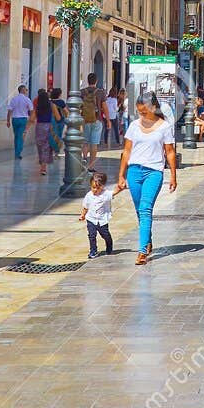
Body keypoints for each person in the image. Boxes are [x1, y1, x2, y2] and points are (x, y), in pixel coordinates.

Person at [116, 92, 178, 265]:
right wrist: (121, 175)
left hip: (154, 172)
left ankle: (142, 250)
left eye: (144, 111)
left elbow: (170, 152)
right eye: (139, 112)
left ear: (153, 108)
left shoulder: (164, 126)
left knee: (145, 209)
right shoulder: (134, 126)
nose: (141, 115)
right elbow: (126, 151)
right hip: (134, 172)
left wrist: (173, 175)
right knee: (139, 211)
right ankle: (148, 239)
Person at [79, 171, 115, 258]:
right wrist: (83, 215)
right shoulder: (89, 195)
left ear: (103, 186)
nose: (95, 190)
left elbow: (114, 192)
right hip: (91, 219)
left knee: (105, 235)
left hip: (102, 220)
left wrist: (121, 186)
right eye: (93, 187)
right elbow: (85, 207)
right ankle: (93, 251)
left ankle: (109, 246)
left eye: (98, 188)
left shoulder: (106, 194)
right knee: (91, 235)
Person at [6, 85, 33, 160]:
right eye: (26, 90)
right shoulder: (27, 99)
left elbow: (9, 110)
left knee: (16, 136)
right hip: (23, 119)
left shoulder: (14, 99)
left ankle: (16, 152)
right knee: (21, 136)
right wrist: (31, 119)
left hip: (15, 119)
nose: (27, 91)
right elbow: (31, 110)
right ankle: (18, 153)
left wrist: (8, 121)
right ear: (23, 90)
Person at [33, 87, 55, 174]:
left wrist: (26, 129)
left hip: (39, 126)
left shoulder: (37, 107)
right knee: (46, 146)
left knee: (40, 145)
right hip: (48, 126)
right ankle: (43, 167)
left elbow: (32, 119)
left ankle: (42, 162)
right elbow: (57, 117)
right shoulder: (51, 105)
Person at [81, 74, 104, 154]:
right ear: (96, 81)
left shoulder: (82, 92)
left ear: (88, 81)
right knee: (94, 144)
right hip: (97, 119)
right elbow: (105, 107)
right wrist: (108, 120)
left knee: (85, 142)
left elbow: (79, 106)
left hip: (85, 119)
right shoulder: (100, 92)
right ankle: (91, 166)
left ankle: (84, 159)